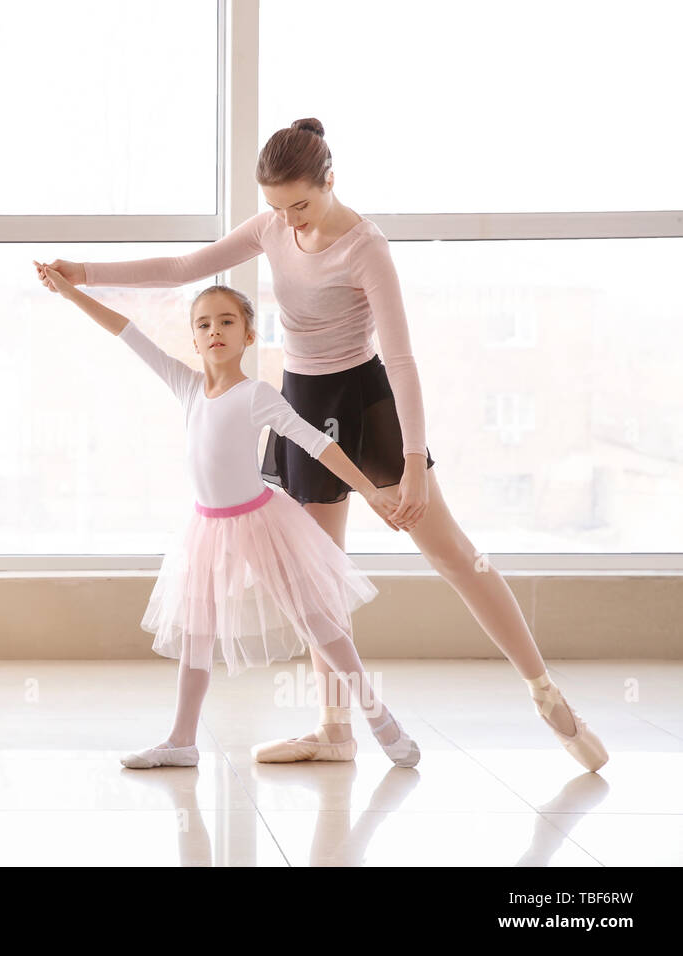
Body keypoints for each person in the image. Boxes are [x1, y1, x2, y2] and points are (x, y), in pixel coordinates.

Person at [33, 117, 607, 774]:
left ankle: (545, 692)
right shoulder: (274, 224)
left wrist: (413, 465)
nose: (289, 220)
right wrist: (85, 271)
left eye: (300, 204)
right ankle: (336, 729)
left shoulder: (366, 249)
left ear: (330, 180)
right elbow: (185, 266)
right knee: (316, 581)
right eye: (277, 207)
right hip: (302, 398)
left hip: (364, 402)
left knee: (455, 557)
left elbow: (402, 360)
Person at [37, 265, 420, 769]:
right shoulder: (186, 386)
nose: (214, 331)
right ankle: (181, 740)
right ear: (194, 339)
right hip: (206, 530)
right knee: (196, 635)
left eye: (226, 322)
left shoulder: (256, 394)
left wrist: (371, 491)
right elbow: (126, 331)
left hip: (261, 523)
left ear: (249, 334)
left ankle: (380, 720)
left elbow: (317, 442)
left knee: (318, 619)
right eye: (203, 324)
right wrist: (70, 292)